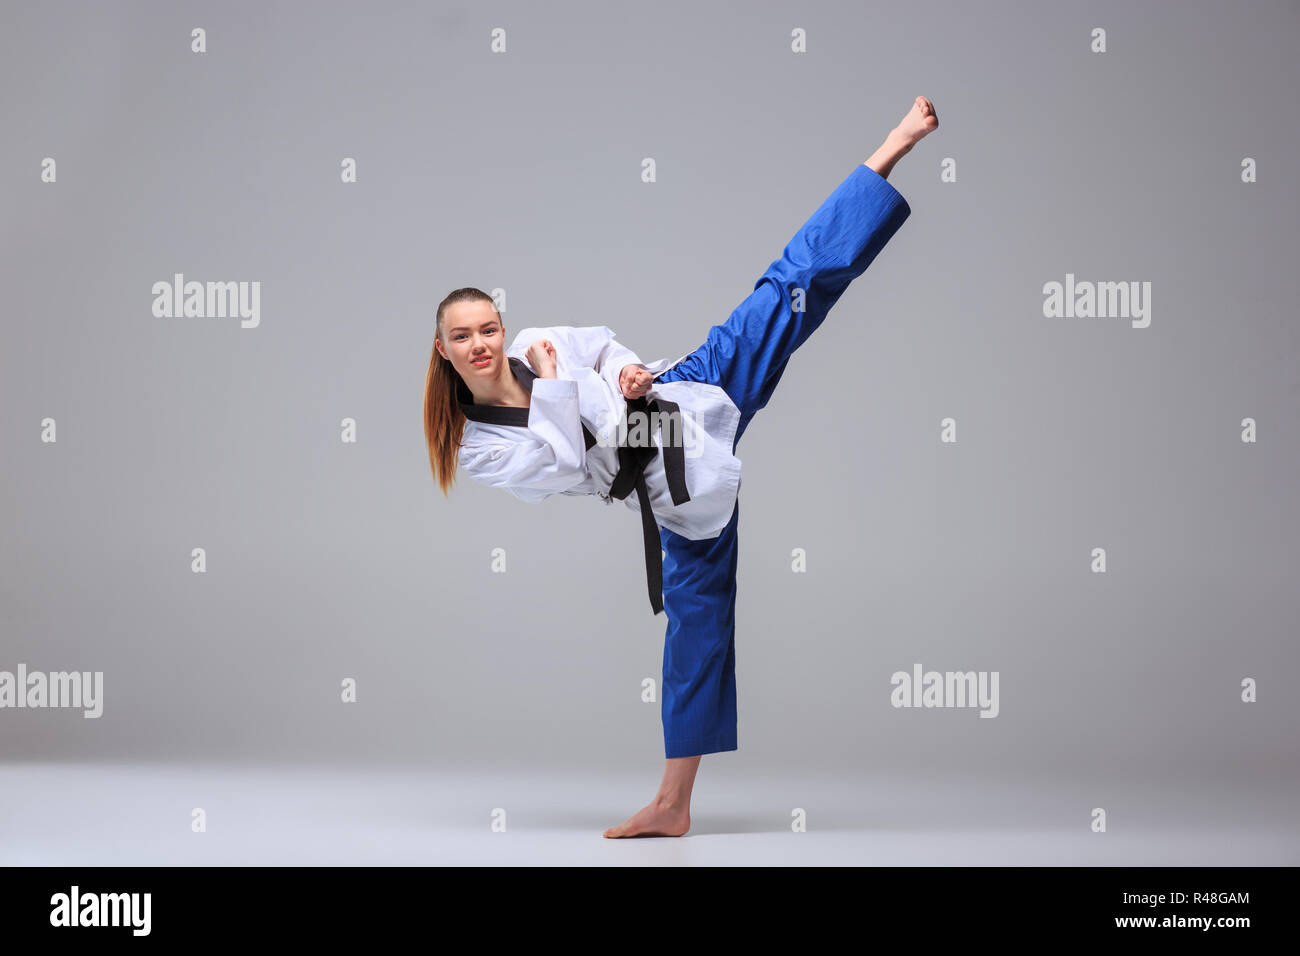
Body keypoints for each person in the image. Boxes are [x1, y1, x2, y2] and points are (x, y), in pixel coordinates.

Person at [423, 96, 939, 838]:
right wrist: (562, 383)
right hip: (667, 486)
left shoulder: (534, 340)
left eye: (488, 328)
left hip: (687, 388)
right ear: (443, 349)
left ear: (500, 325)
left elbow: (601, 344)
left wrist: (629, 372)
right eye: (463, 336)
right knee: (697, 632)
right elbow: (566, 456)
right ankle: (672, 805)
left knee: (786, 289)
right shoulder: (478, 447)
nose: (481, 344)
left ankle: (888, 150)